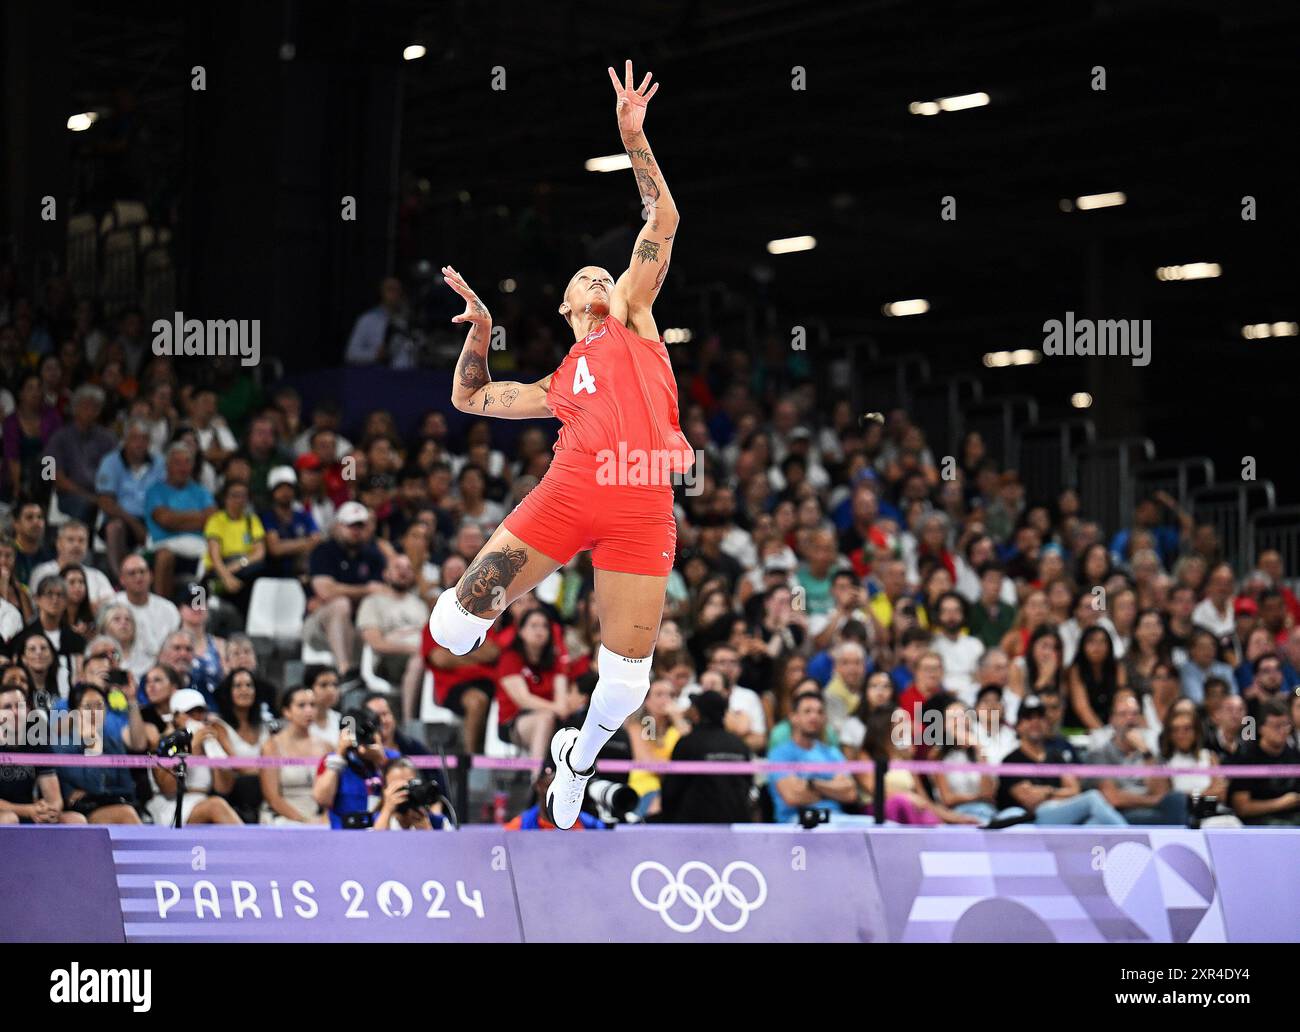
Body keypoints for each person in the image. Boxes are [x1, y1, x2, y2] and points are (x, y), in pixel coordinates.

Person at [429, 61, 687, 829]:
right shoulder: (556, 382)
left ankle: (578, 755)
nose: (598, 277)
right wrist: (479, 333)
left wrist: (634, 140)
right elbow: (471, 397)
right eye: (585, 277)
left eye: (602, 271)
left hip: (643, 501)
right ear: (569, 303)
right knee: (449, 627)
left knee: (628, 681)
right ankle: (519, 600)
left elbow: (662, 221)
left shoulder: (634, 315)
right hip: (568, 495)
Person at [995, 695, 1126, 825]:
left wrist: (1047, 792)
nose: (1035, 722)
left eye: (1040, 717)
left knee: (1094, 823)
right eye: (1028, 718)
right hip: (1032, 817)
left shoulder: (1056, 756)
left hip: (1061, 812)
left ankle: (1128, 843)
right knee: (1092, 797)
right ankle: (1132, 838)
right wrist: (1060, 793)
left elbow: (1075, 790)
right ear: (1018, 726)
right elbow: (1030, 800)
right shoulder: (1011, 760)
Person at [305, 501, 387, 674]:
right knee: (341, 604)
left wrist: (342, 590)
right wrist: (365, 591)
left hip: (358, 624)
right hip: (318, 625)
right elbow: (325, 591)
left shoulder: (373, 556)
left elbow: (381, 592)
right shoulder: (324, 551)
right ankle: (344, 670)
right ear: (338, 526)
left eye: (360, 526)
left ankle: (368, 674)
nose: (356, 531)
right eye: (350, 525)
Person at [0, 669, 86, 824]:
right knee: (9, 819)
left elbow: (55, 799)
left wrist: (50, 811)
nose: (14, 712)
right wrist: (28, 810)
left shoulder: (37, 741)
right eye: (7, 707)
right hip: (10, 813)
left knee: (76, 820)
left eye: (19, 706)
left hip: (31, 812)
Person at [1087, 692, 1187, 824]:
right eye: (1123, 714)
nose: (1130, 719)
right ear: (1113, 720)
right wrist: (1153, 800)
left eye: (1134, 713)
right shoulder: (1101, 753)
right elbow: (1112, 798)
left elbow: (1162, 791)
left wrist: (1146, 753)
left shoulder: (1149, 749)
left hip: (1153, 809)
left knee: (1177, 799)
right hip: (1121, 813)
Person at [147, 688, 242, 826]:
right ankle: (253, 846)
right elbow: (168, 787)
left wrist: (216, 748)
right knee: (216, 806)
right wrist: (191, 746)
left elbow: (224, 788)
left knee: (217, 805)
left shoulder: (206, 741)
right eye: (190, 713)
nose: (197, 717)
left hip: (202, 802)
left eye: (201, 712)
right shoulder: (162, 743)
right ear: (176, 716)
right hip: (169, 805)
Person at [356, 554, 430, 727]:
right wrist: (412, 649)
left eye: (408, 568)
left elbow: (428, 638)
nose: (403, 572)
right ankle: (409, 720)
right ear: (386, 574)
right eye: (397, 567)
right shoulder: (372, 602)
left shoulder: (419, 605)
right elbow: (376, 643)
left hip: (419, 657)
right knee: (419, 659)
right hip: (386, 661)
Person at [658, 689, 752, 823]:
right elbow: (747, 785)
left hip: (695, 825)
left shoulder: (688, 743)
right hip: (735, 822)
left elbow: (671, 790)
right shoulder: (739, 745)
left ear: (697, 713)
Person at [55, 682, 142, 824]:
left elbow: (128, 788)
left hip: (113, 805)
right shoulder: (62, 746)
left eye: (100, 706)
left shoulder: (112, 742)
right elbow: (93, 785)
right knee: (126, 814)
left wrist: (103, 793)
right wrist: (92, 748)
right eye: (88, 707)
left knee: (127, 811)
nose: (95, 713)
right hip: (79, 812)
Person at [495, 608, 572, 758]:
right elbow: (524, 700)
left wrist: (559, 708)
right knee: (545, 719)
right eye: (534, 625)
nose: (540, 630)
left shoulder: (555, 660)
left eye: (544, 626)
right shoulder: (509, 658)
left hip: (554, 718)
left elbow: (562, 699)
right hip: (513, 721)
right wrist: (556, 708)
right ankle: (536, 777)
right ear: (521, 631)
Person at [144, 441, 216, 599]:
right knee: (164, 556)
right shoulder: (155, 491)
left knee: (212, 553)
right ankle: (162, 607)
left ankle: (199, 609)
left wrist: (177, 518)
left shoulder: (201, 492)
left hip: (198, 546)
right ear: (167, 466)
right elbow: (165, 520)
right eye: (177, 463)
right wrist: (198, 516)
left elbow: (211, 520)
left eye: (187, 462)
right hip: (165, 544)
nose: (183, 468)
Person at [312, 712, 399, 829]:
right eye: (357, 734)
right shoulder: (332, 760)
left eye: (368, 732)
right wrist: (339, 755)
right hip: (344, 832)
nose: (361, 738)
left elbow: (401, 797)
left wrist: (381, 762)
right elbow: (322, 800)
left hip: (382, 830)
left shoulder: (393, 758)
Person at [260, 685, 329, 825]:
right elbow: (272, 797)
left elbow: (333, 792)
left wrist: (325, 819)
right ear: (287, 712)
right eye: (301, 705)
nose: (309, 710)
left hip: (318, 817)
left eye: (313, 705)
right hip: (282, 816)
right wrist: (304, 821)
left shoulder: (326, 747)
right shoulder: (271, 747)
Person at [1227, 697, 1300, 826]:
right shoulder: (1247, 757)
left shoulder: (1294, 755)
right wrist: (1281, 803)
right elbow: (1241, 807)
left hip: (1293, 818)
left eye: (1286, 725)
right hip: (1259, 823)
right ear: (1261, 728)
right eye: (1276, 726)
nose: (1283, 731)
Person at [202, 479, 267, 616]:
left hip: (243, 566)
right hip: (219, 567)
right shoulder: (216, 520)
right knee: (199, 589)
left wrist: (238, 565)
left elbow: (259, 553)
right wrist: (226, 576)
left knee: (260, 569)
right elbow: (214, 555)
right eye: (235, 495)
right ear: (225, 498)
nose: (239, 500)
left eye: (243, 496)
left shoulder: (252, 520)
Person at [28, 521, 114, 605]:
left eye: (81, 540)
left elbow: (112, 607)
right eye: (70, 540)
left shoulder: (97, 576)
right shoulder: (43, 572)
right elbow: (37, 604)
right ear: (58, 543)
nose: (76, 545)